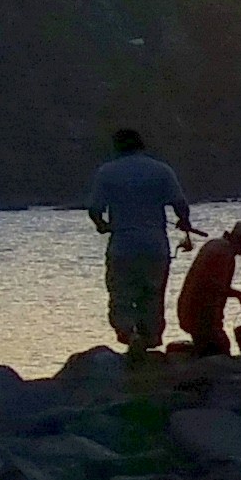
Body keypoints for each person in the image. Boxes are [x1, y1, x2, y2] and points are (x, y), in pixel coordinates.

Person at [81, 127, 197, 354]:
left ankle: (130, 334)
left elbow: (94, 209)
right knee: (153, 296)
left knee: (121, 295)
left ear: (117, 146)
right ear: (141, 145)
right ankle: (150, 342)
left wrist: (102, 226)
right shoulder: (161, 170)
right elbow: (180, 204)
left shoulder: (107, 172)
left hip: (122, 246)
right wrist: (184, 221)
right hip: (155, 246)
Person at [173, 221, 241, 355]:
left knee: (214, 347)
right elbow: (213, 287)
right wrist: (240, 296)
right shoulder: (223, 253)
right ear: (240, 240)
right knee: (220, 349)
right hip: (200, 315)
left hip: (190, 310)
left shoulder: (215, 245)